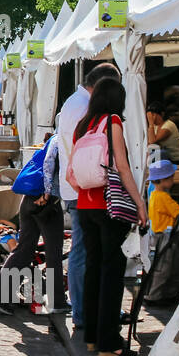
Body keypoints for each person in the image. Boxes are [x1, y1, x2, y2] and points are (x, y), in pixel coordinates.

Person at [71, 78, 147, 356]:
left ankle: (91, 335)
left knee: (93, 268)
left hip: (85, 203)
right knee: (111, 272)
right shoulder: (113, 121)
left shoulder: (83, 124)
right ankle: (109, 342)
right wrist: (139, 203)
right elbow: (122, 166)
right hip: (109, 203)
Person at [56, 62, 120, 330]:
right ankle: (83, 312)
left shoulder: (73, 102)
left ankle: (86, 310)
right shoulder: (84, 107)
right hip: (84, 188)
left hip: (77, 186)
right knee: (83, 251)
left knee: (84, 250)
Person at [3, 133, 66, 311]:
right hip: (45, 201)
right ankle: (57, 301)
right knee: (53, 251)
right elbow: (48, 163)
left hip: (31, 199)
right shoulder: (62, 139)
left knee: (24, 249)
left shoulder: (56, 137)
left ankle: (0, 293)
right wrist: (47, 194)